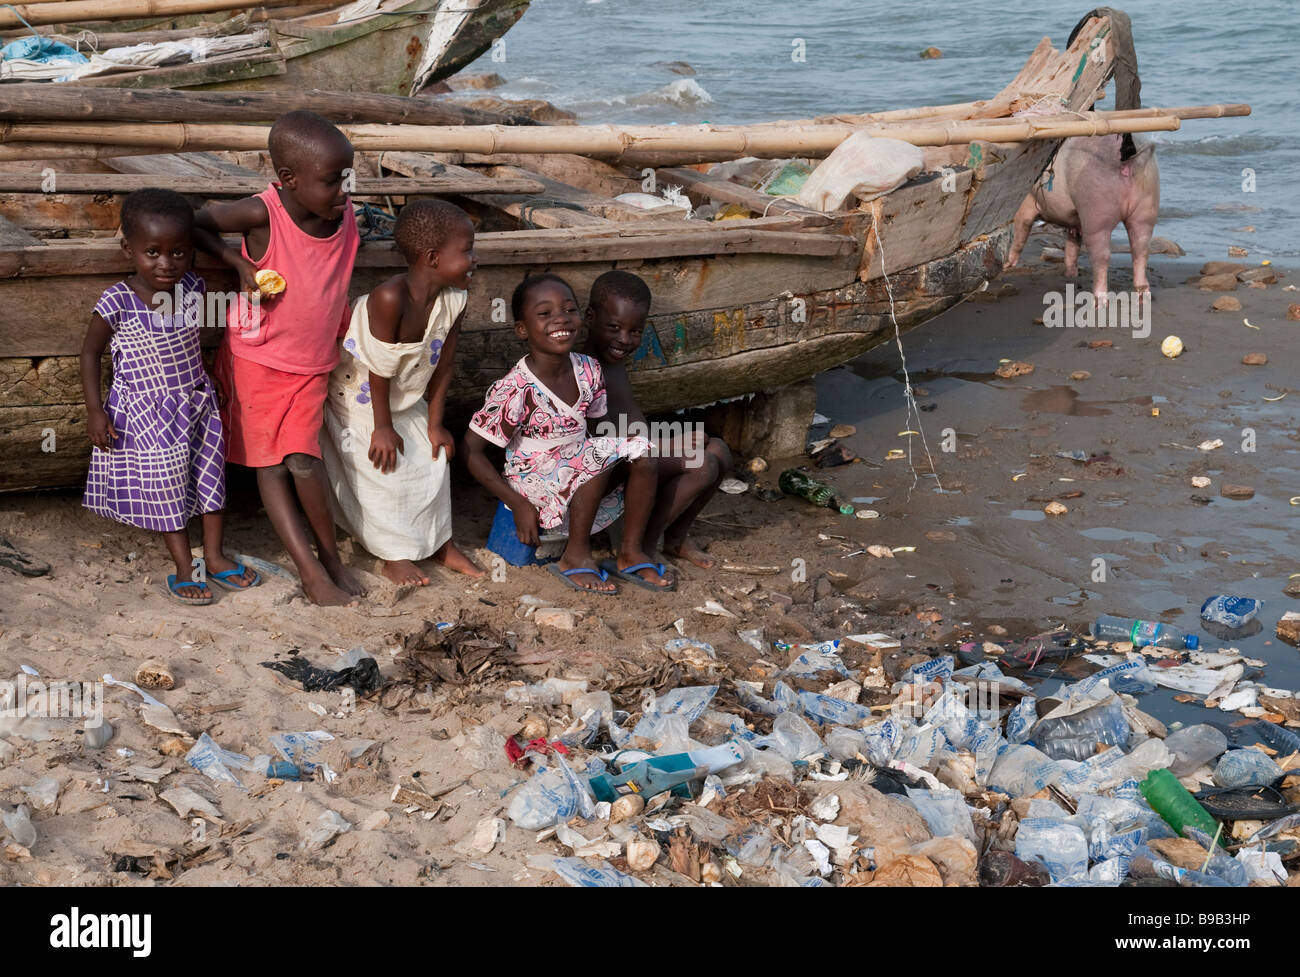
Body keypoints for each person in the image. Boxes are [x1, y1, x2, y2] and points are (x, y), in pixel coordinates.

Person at [193, 110, 364, 606]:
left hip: (313, 361)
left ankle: (330, 556)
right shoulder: (262, 214)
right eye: (332, 181)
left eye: (347, 179)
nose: (344, 192)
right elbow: (193, 221)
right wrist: (236, 263)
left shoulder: (344, 214)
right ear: (289, 180)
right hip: (259, 360)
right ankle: (311, 574)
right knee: (271, 466)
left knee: (306, 463)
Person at [80, 188, 260, 605]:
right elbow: (90, 353)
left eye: (179, 252)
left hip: (195, 402)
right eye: (153, 252)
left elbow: (192, 341)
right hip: (146, 412)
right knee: (167, 488)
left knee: (210, 479)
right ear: (129, 249)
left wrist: (205, 376)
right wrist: (94, 410)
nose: (167, 263)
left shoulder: (195, 287)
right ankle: (184, 567)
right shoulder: (118, 300)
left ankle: (214, 556)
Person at [463, 274, 674, 594]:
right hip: (532, 477)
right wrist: (516, 503)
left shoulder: (589, 369)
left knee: (642, 452)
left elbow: (598, 431)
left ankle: (630, 552)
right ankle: (575, 556)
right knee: (598, 457)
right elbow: (471, 451)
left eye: (568, 310)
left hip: (577, 463)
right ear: (522, 329)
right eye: (545, 314)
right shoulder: (516, 388)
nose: (560, 318)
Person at [321, 200, 483, 586]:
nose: (474, 259)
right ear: (431, 257)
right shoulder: (389, 298)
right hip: (359, 399)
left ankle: (440, 542)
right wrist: (381, 428)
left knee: (432, 461)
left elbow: (444, 364)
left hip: (405, 398)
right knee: (384, 472)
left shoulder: (454, 300)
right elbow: (377, 369)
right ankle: (394, 553)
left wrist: (435, 422)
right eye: (467, 251)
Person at [583, 270, 732, 569]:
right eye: (614, 327)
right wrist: (667, 444)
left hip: (635, 460)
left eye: (635, 331)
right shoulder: (586, 369)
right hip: (607, 474)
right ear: (590, 317)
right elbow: (600, 439)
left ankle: (676, 537)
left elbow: (628, 424)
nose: (624, 340)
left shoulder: (613, 364)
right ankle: (642, 546)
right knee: (702, 464)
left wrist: (662, 444)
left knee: (720, 451)